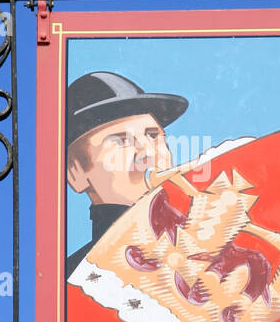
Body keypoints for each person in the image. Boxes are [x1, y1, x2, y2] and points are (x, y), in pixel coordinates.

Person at [65, 71, 188, 277]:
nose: (148, 153)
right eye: (121, 141)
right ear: (74, 171)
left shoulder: (213, 251)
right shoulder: (73, 279)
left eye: (153, 135)